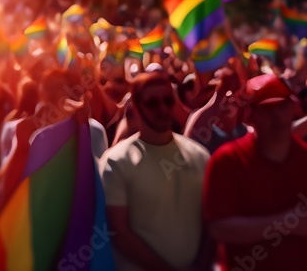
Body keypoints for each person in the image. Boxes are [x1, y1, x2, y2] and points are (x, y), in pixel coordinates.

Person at [99, 71, 211, 271]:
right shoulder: (116, 162)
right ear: (135, 108)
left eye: (168, 100)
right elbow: (118, 231)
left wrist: (202, 264)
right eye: (152, 103)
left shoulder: (199, 155)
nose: (163, 108)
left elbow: (211, 220)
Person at [203, 74, 307, 270]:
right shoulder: (227, 161)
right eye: (266, 109)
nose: (277, 117)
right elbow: (219, 228)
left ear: (293, 107)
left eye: (282, 106)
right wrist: (285, 223)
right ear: (249, 115)